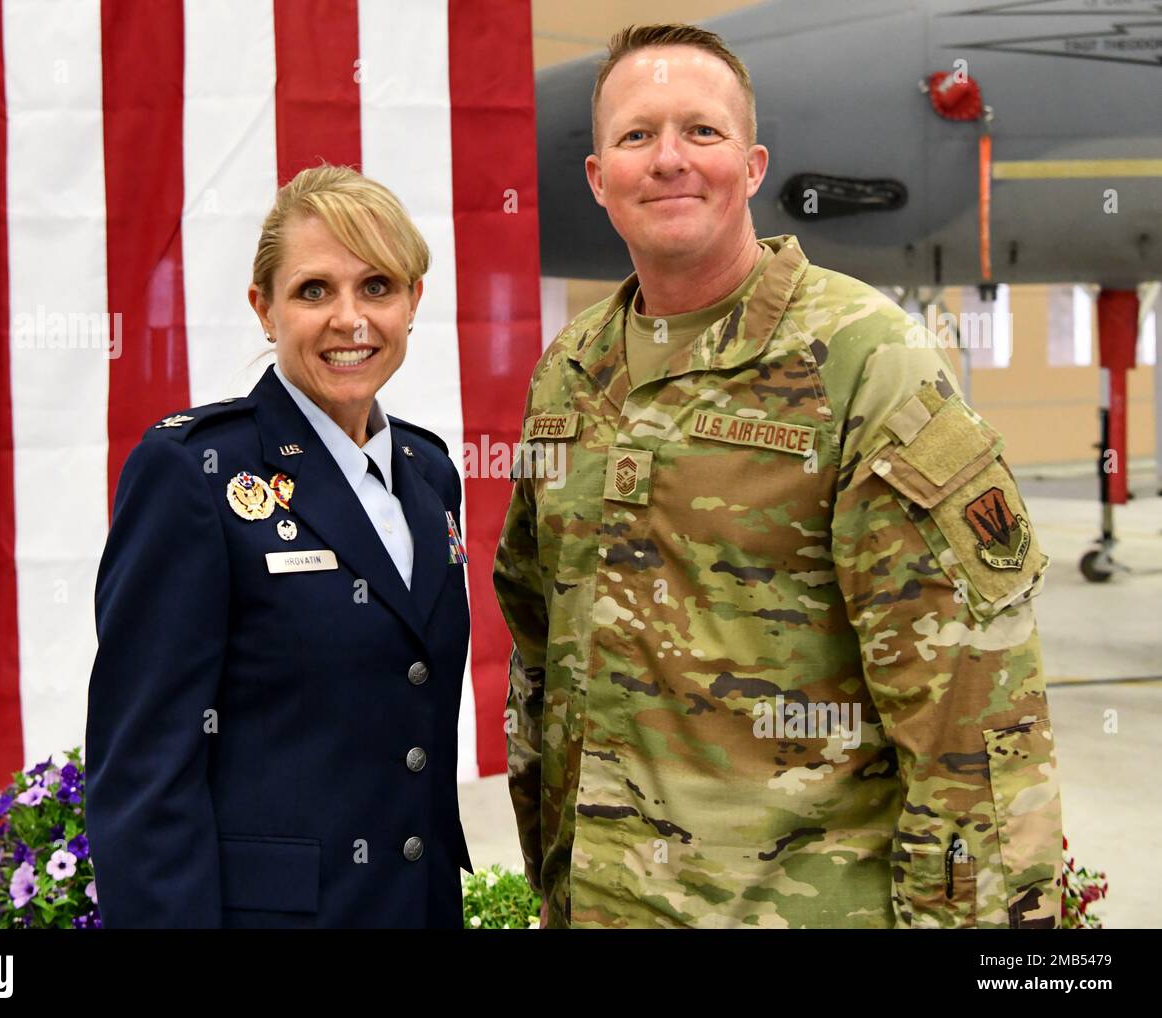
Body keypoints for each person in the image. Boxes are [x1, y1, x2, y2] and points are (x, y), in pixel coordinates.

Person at [493, 23, 1063, 929]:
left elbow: (972, 723)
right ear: (600, 178)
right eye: (638, 136)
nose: (670, 159)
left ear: (753, 167)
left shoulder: (866, 362)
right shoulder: (570, 369)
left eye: (702, 132)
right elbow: (538, 647)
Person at [85, 164, 473, 928]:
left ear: (413, 302)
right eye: (313, 291)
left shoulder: (430, 477)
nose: (349, 319)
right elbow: (144, 770)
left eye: (378, 287)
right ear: (264, 309)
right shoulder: (194, 472)